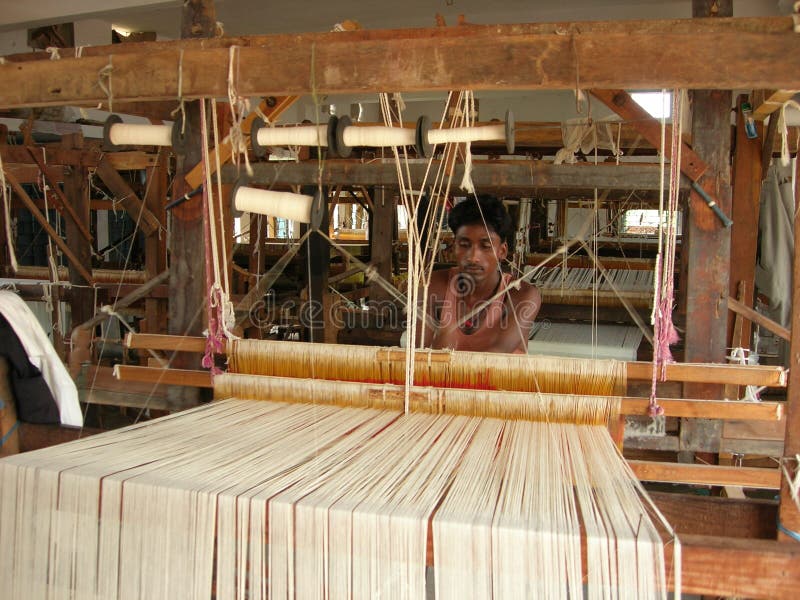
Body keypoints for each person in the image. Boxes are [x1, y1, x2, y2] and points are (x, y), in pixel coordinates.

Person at [419, 195, 541, 354]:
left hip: (498, 378)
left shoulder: (521, 295)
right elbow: (418, 354)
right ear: (453, 247)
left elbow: (495, 357)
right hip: (441, 378)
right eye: (464, 244)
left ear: (502, 251)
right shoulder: (433, 286)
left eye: (485, 246)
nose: (473, 257)